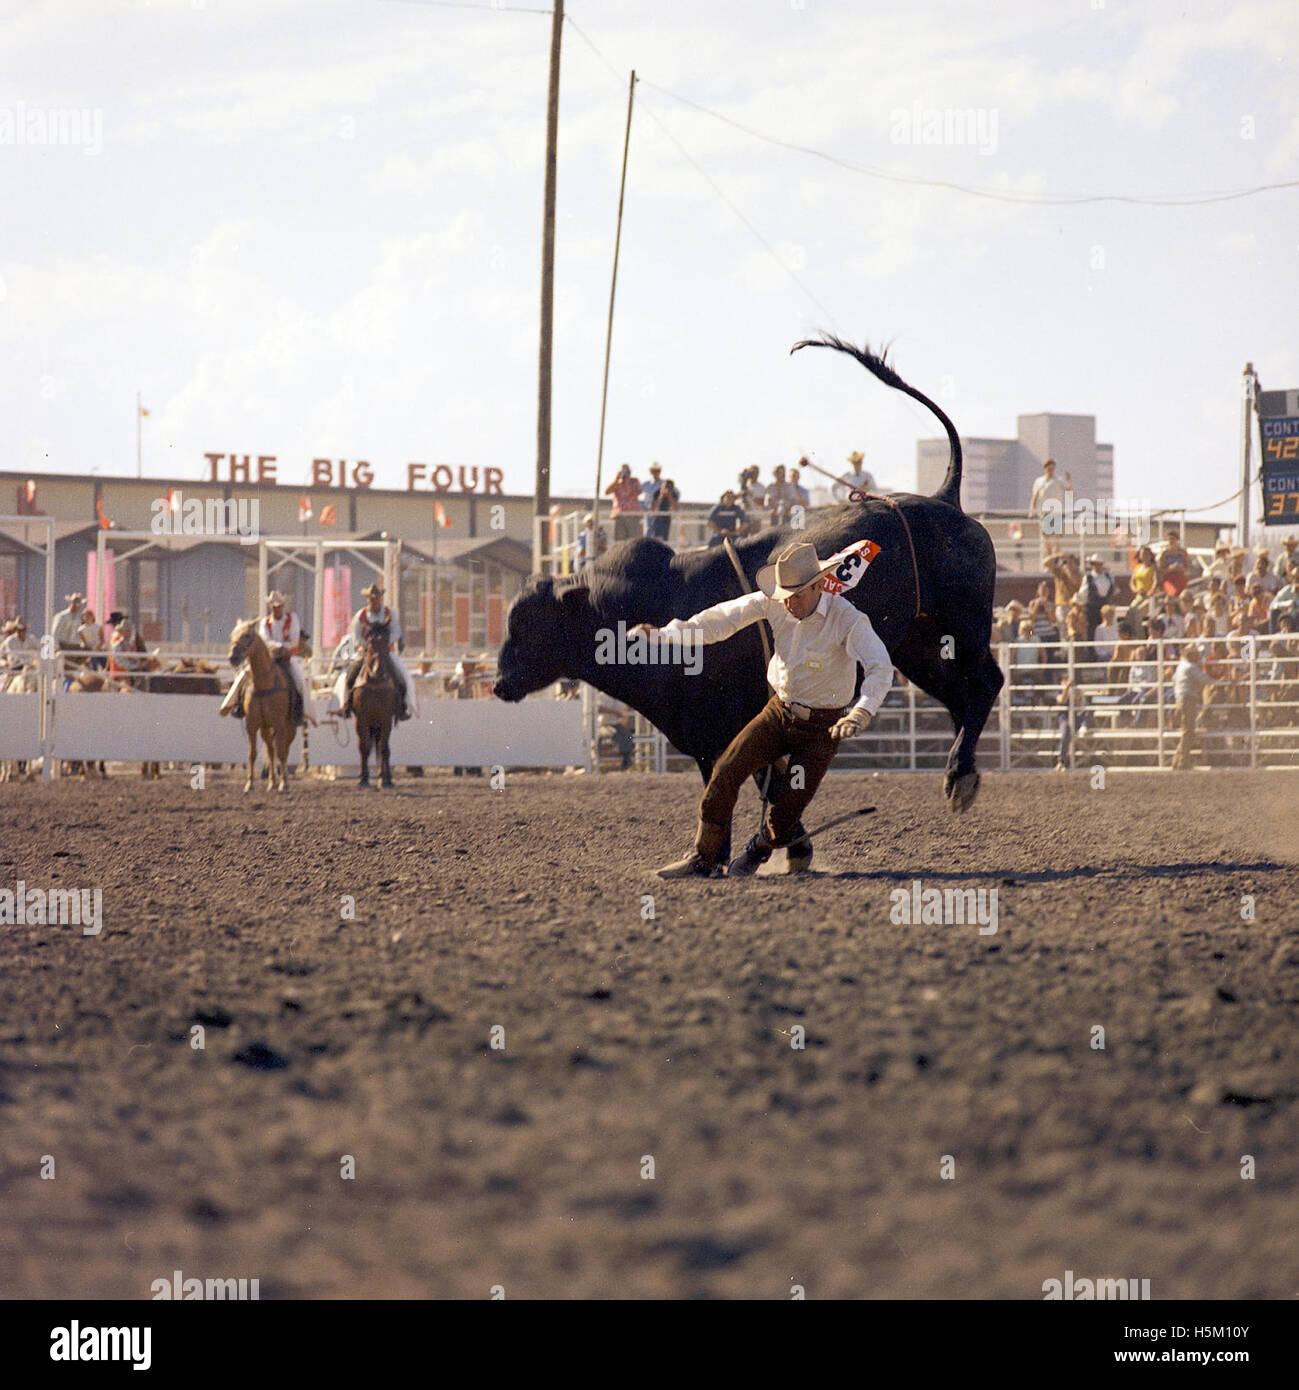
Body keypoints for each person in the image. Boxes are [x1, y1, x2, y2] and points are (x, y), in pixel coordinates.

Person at [639, 541, 893, 878]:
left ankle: (760, 848)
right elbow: (720, 621)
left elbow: (880, 667)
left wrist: (861, 711)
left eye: (797, 594)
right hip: (779, 714)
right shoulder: (776, 603)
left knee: (787, 811)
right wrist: (663, 635)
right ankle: (703, 859)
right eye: (785, 593)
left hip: (821, 729)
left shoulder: (848, 619)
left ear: (819, 586)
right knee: (726, 770)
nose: (789, 601)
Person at [220, 590, 308, 724]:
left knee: (299, 679)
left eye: (278, 605)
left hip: (286, 658)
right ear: (270, 607)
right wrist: (277, 646)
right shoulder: (265, 622)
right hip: (268, 657)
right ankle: (235, 705)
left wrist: (282, 647)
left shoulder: (292, 619)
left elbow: (294, 640)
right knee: (243, 676)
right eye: (273, 606)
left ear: (283, 606)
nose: (276, 608)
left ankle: (300, 712)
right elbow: (265, 640)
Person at [341, 582, 411, 720]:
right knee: (350, 675)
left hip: (386, 651)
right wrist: (366, 644)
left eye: (376, 598)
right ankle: (347, 705)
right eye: (371, 598)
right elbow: (356, 634)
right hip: (366, 652)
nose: (374, 601)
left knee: (401, 676)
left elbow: (397, 631)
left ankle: (401, 707)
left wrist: (385, 642)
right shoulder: (361, 615)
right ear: (368, 599)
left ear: (380, 599)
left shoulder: (389, 613)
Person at [1171, 643, 1216, 770]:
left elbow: (1173, 679)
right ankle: (1181, 761)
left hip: (1180, 698)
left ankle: (1178, 760)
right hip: (1188, 699)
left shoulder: (1181, 667)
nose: (1198, 656)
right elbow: (1206, 680)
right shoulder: (1191, 667)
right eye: (1196, 653)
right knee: (1188, 731)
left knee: (1187, 730)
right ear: (1191, 655)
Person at [1027, 459, 1071, 562]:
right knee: (1046, 539)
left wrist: (1069, 480)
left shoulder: (1058, 480)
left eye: (1052, 468)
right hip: (1044, 513)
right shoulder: (1039, 481)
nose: (1050, 470)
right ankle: (1049, 560)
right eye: (1048, 468)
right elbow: (1035, 496)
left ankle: (1056, 560)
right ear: (1045, 469)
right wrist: (1031, 511)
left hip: (1056, 512)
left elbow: (1069, 490)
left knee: (1056, 538)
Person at [1075, 553, 1115, 644]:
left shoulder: (1109, 577)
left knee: (1106, 631)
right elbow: (1083, 593)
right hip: (1092, 609)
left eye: (1099, 564)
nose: (1097, 566)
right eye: (1095, 564)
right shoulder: (1088, 578)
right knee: (1092, 632)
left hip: (1105, 609)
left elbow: (1112, 592)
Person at [604, 463, 642, 542]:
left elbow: (638, 492)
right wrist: (616, 479)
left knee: (633, 540)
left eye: (627, 471)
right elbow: (607, 492)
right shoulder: (616, 483)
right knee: (620, 540)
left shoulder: (635, 481)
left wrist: (628, 483)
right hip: (619, 515)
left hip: (632, 515)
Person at [643, 464, 679, 544]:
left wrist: (669, 497)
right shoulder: (657, 493)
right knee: (655, 539)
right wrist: (661, 496)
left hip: (666, 518)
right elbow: (653, 508)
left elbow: (676, 508)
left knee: (665, 540)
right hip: (656, 519)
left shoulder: (673, 494)